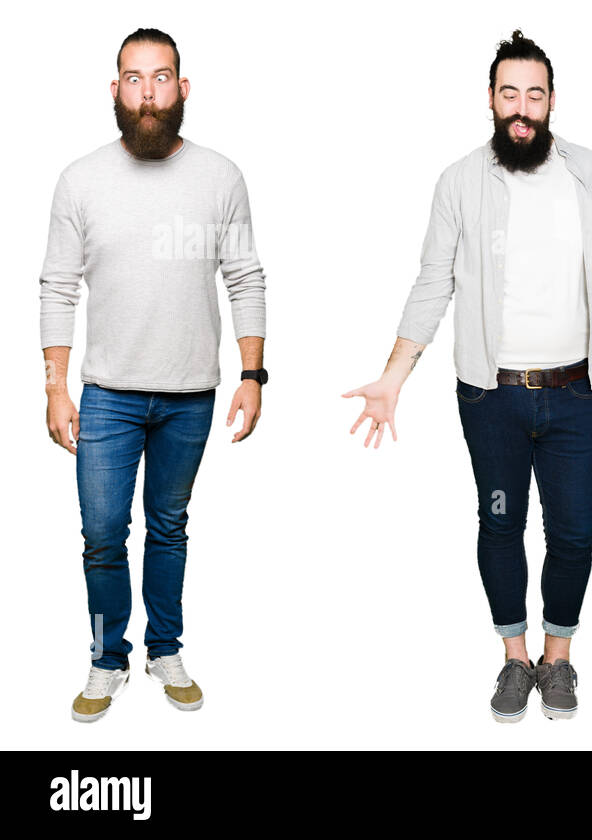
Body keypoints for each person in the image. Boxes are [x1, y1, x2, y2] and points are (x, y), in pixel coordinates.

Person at [343, 30, 592, 724]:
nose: (523, 107)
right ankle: (513, 660)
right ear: (491, 99)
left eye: (536, 94)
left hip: (572, 391)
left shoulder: (590, 174)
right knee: (500, 524)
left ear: (552, 102)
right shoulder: (460, 181)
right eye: (510, 93)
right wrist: (394, 375)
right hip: (489, 396)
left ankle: (559, 659)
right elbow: (433, 284)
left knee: (574, 532)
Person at [41, 28, 269, 722]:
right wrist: (55, 386)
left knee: (169, 526)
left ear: (183, 88)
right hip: (106, 394)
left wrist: (254, 373)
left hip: (190, 394)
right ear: (115, 91)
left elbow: (246, 277)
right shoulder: (80, 179)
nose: (148, 92)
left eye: (161, 77)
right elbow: (57, 285)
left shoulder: (221, 176)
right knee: (104, 533)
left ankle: (164, 649)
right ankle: (108, 657)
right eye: (134, 79)